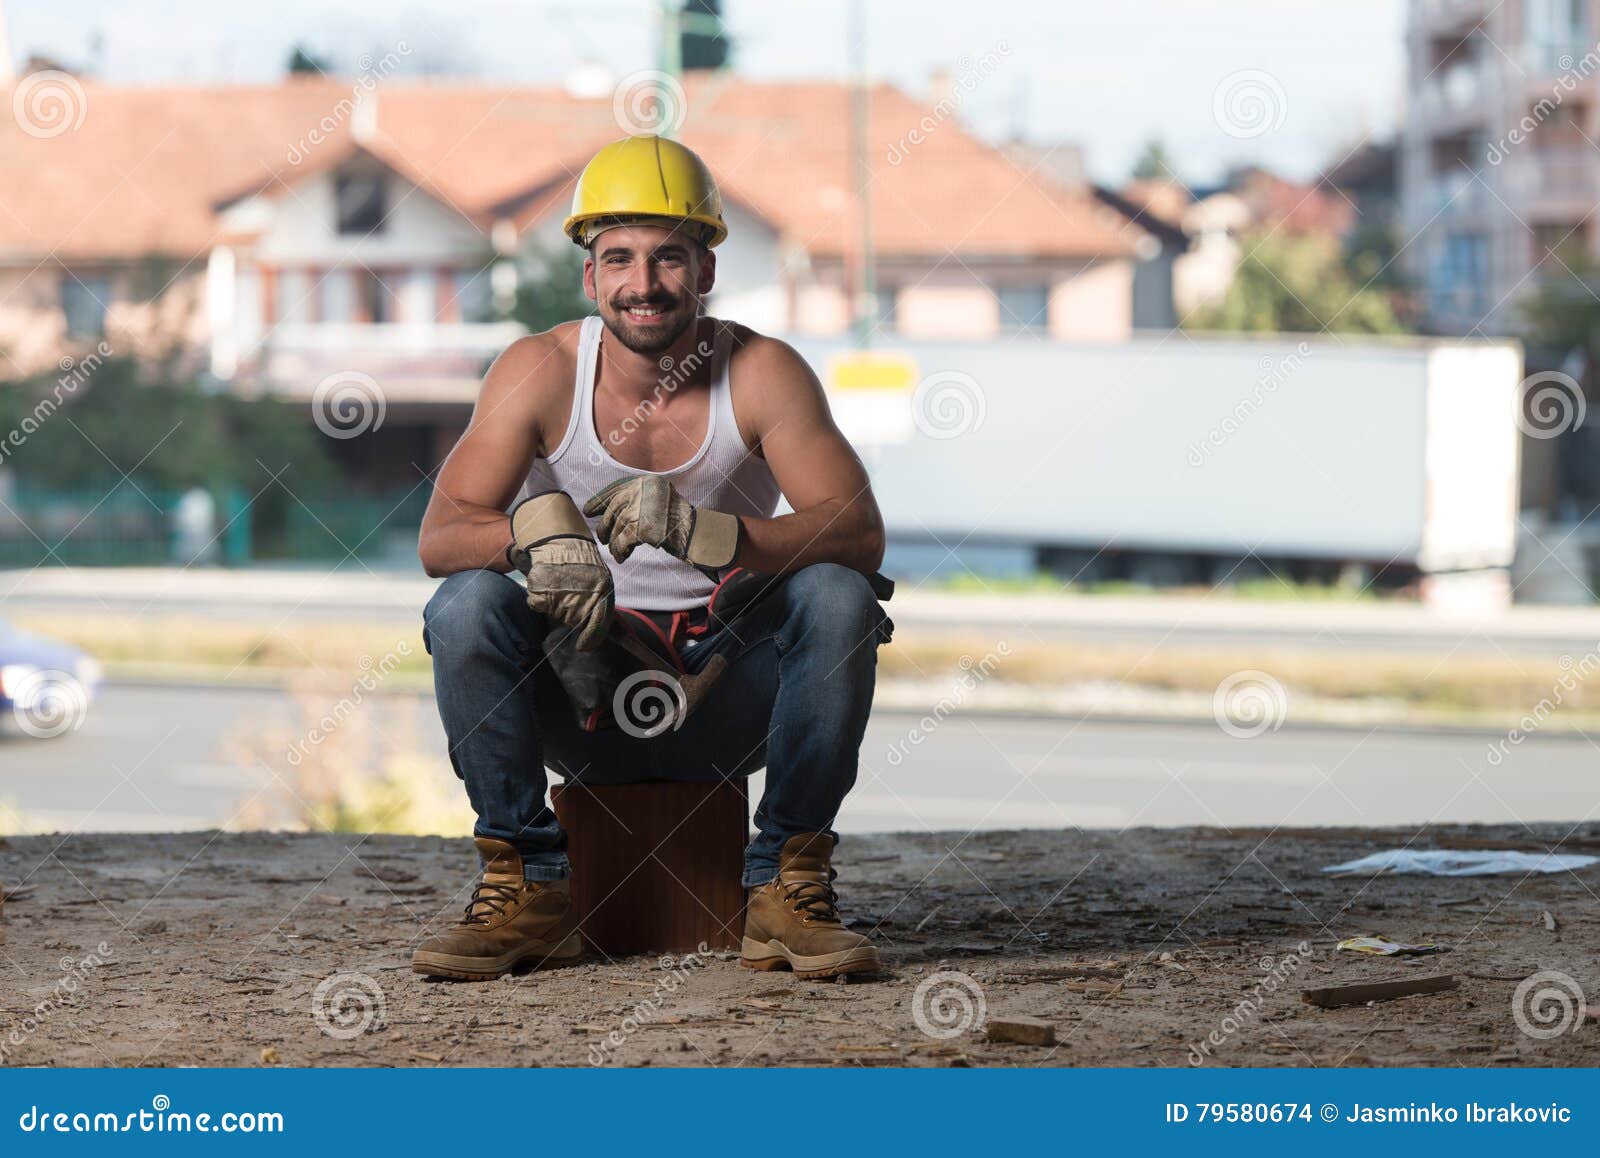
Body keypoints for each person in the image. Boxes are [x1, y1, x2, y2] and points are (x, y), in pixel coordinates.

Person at [411, 134, 893, 983]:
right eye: (619, 258)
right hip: (583, 690)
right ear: (589, 275)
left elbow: (858, 530)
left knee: (839, 593)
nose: (644, 283)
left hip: (725, 701)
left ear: (705, 271)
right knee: (464, 605)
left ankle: (787, 884)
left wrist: (716, 537)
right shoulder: (539, 370)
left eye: (670, 258)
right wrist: (536, 534)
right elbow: (440, 540)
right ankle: (526, 882)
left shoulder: (763, 371)